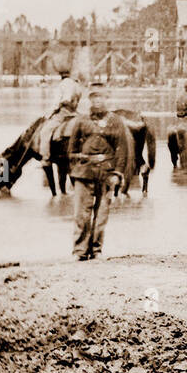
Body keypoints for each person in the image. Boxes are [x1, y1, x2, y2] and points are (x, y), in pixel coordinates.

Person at [67, 85, 129, 259]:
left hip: (107, 173)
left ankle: (96, 250)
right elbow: (71, 150)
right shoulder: (81, 120)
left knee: (101, 215)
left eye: (101, 97)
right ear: (90, 100)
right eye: (94, 98)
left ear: (107, 99)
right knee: (81, 214)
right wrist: (73, 172)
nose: (97, 101)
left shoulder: (115, 121)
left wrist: (117, 174)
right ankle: (79, 251)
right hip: (84, 171)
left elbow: (122, 150)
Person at [38, 66, 83, 167]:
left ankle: (46, 158)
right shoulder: (76, 84)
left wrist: (50, 113)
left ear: (60, 75)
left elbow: (59, 102)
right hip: (75, 112)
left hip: (64, 113)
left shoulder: (62, 85)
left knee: (45, 131)